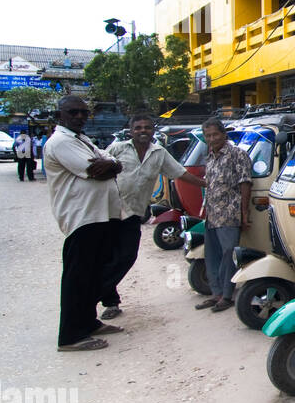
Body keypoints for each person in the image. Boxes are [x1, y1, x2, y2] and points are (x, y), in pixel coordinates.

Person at [102, 113, 206, 320]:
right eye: (138, 127)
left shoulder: (159, 153)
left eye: (147, 127)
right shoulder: (117, 149)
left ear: (152, 130)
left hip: (134, 213)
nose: (143, 131)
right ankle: (110, 301)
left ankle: (100, 289)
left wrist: (207, 184)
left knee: (127, 256)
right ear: (131, 131)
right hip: (108, 211)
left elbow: (180, 173)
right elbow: (98, 169)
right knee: (107, 256)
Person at [43, 95, 125, 352]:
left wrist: (112, 164)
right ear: (60, 115)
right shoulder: (60, 142)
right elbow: (95, 172)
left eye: (83, 112)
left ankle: (88, 323)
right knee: (78, 278)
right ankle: (71, 336)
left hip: (98, 217)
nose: (79, 116)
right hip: (82, 217)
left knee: (92, 275)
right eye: (73, 112)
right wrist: (111, 165)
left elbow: (112, 163)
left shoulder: (81, 139)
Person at [197, 118, 253, 313]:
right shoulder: (210, 157)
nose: (212, 139)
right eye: (208, 136)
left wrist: (244, 213)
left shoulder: (237, 154)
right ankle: (216, 293)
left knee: (229, 254)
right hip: (212, 214)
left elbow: (245, 183)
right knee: (212, 255)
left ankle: (227, 295)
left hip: (229, 214)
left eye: (215, 134)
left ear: (224, 134)